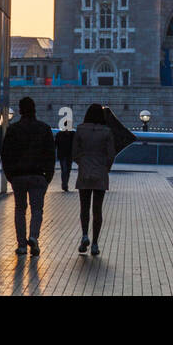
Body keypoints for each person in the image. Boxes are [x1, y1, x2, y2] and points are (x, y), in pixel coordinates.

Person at [0, 97, 56, 257]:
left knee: (20, 209)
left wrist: (10, 175)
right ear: (34, 109)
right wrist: (48, 176)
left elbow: (6, 154)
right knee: (37, 209)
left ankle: (22, 245)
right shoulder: (44, 129)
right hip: (38, 175)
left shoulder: (13, 129)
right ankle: (33, 237)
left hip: (18, 175)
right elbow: (50, 154)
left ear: (20, 110)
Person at [73, 104, 116, 257]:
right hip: (100, 172)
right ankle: (95, 244)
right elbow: (111, 154)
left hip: (85, 171)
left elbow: (75, 153)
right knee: (97, 210)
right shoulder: (107, 131)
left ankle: (85, 235)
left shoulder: (80, 129)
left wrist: (83, 163)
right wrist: (106, 168)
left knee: (84, 207)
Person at [55, 126, 76, 192]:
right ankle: (65, 185)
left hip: (68, 155)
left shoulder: (72, 134)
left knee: (67, 170)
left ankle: (65, 184)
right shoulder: (61, 134)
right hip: (63, 155)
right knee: (65, 170)